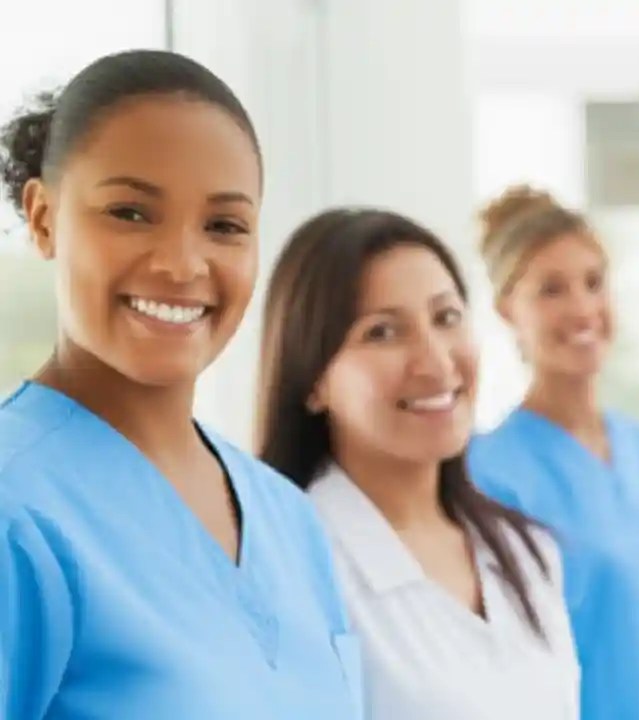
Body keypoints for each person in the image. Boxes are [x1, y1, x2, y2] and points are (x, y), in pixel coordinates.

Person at [0, 50, 361, 718]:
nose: (181, 264)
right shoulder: (16, 506)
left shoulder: (289, 520)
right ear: (45, 217)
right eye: (130, 212)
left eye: (224, 225)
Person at [256, 209, 579, 719]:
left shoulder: (527, 552)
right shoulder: (287, 565)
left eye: (446, 317)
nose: (436, 362)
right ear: (313, 380)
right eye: (382, 332)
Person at [465, 185, 639, 720]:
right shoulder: (484, 475)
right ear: (506, 310)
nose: (583, 308)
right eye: (552, 290)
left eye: (594, 283)